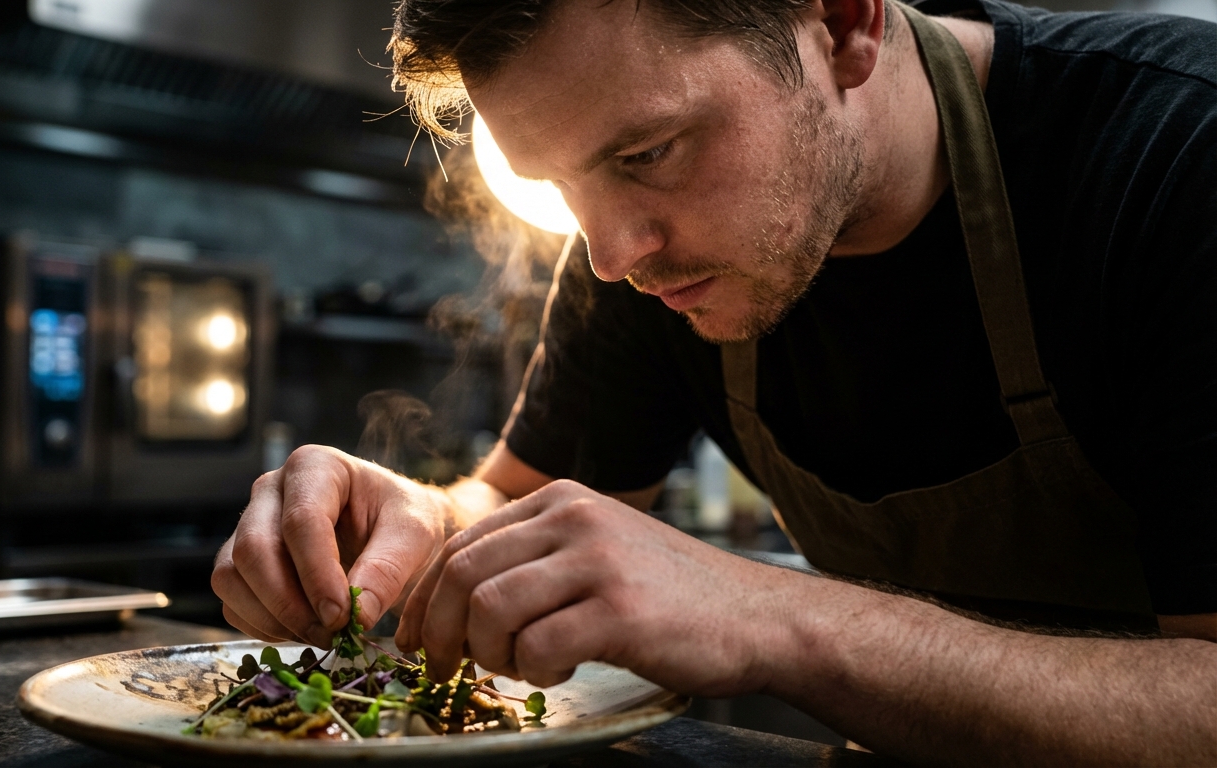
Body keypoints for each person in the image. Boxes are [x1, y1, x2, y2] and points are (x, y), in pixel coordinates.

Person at [211, 0, 1217, 761]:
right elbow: (516, 503)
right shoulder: (638, 260)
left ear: (840, 24)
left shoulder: (1177, 157)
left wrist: (772, 618)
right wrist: (419, 524)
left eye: (646, 152)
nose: (611, 253)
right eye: (561, 186)